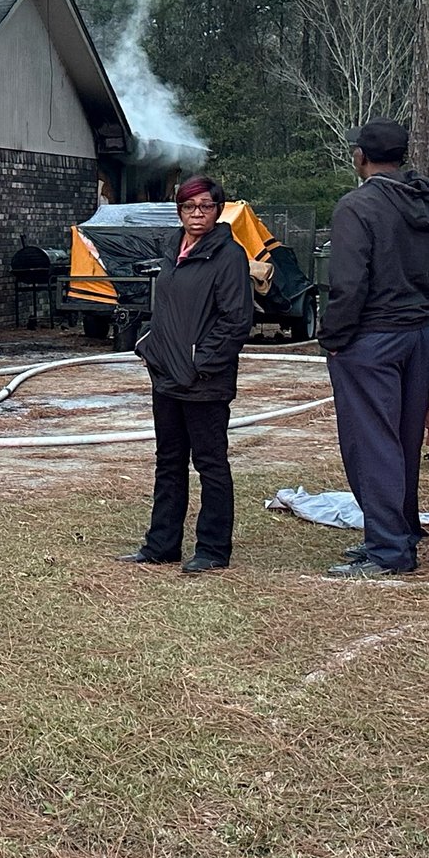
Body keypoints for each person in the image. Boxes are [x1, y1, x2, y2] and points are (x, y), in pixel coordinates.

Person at [319, 118, 429, 579]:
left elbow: (348, 284)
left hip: (371, 336)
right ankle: (401, 531)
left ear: (361, 157)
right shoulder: (426, 201)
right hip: (417, 333)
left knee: (371, 442)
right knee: (403, 438)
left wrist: (333, 338)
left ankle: (388, 551)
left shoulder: (358, 206)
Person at [118, 175, 254, 573]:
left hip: (204, 381)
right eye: (189, 206)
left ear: (217, 210)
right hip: (166, 377)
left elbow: (236, 321)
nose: (197, 213)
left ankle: (212, 550)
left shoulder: (229, 256)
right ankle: (161, 544)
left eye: (206, 206)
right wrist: (152, 349)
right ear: (179, 210)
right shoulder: (172, 250)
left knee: (211, 463)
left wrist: (200, 364)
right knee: (169, 461)